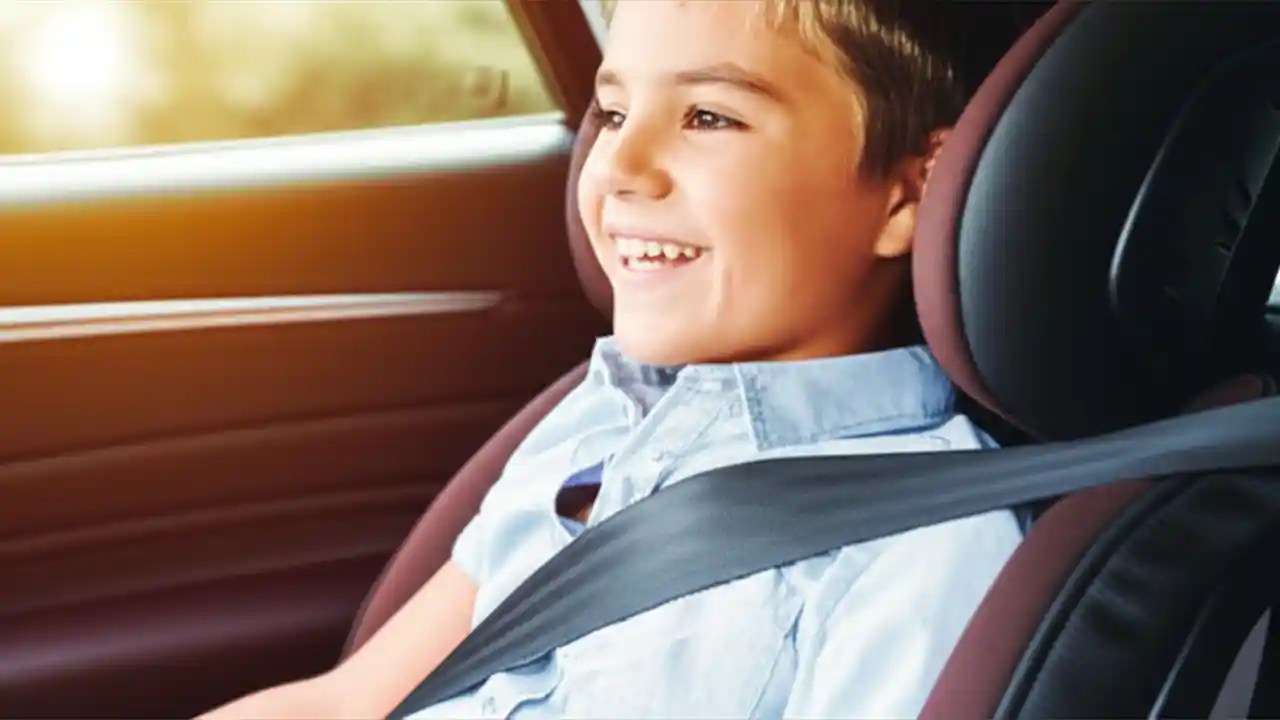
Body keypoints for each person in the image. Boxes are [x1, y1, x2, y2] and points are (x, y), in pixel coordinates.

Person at [203, 0, 1022, 717]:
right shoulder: (596, 423)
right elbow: (346, 703)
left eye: (709, 117)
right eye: (615, 112)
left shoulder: (929, 549)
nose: (619, 168)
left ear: (913, 193)